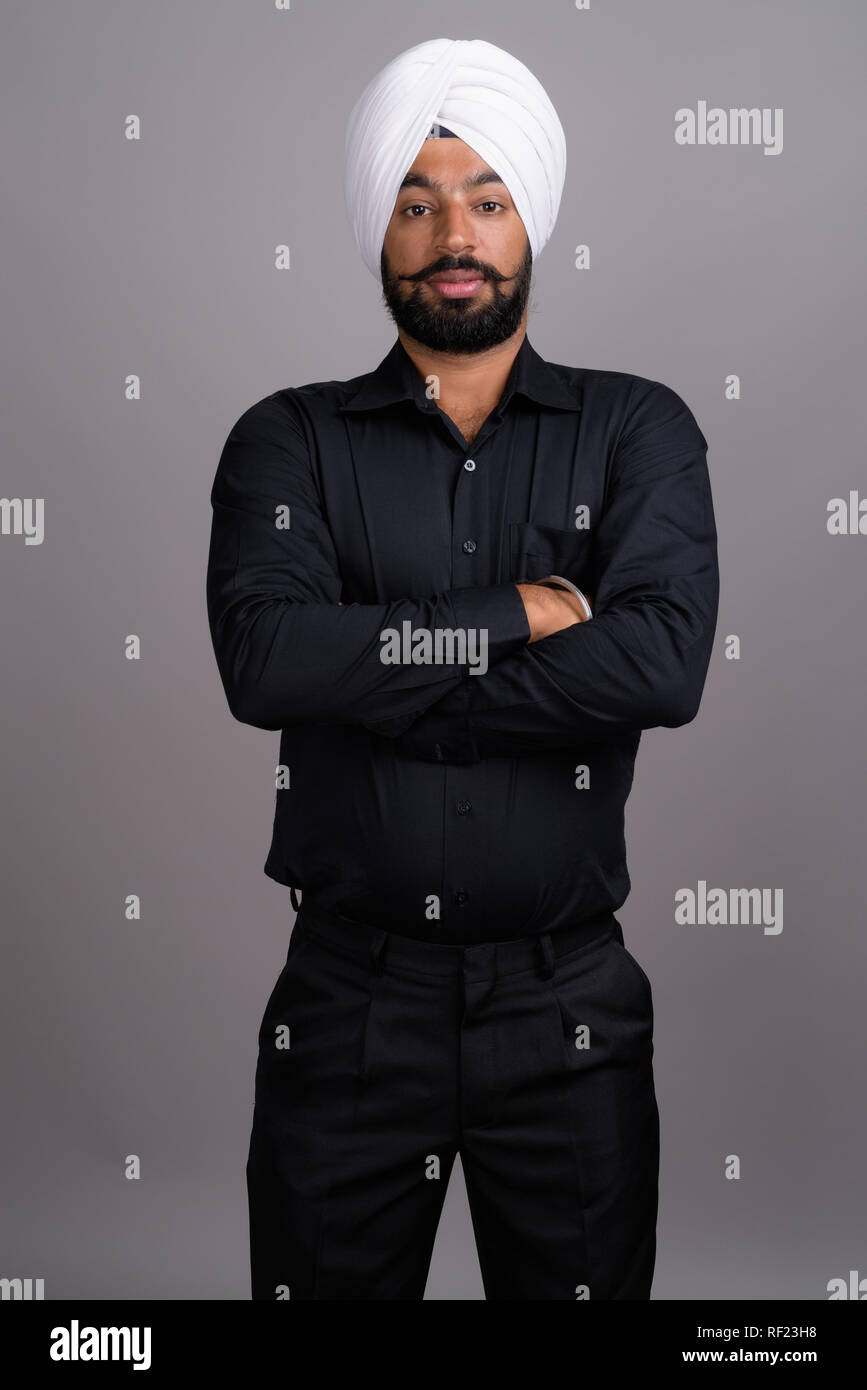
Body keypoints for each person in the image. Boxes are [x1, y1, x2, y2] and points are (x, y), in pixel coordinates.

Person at [206, 37, 719, 1301]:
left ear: (530, 217)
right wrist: (516, 611)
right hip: (347, 1007)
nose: (456, 233)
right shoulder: (289, 438)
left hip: (569, 1009)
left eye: (488, 199)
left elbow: (661, 664)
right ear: (377, 226)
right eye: (418, 199)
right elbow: (268, 661)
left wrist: (381, 663)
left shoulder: (638, 427)